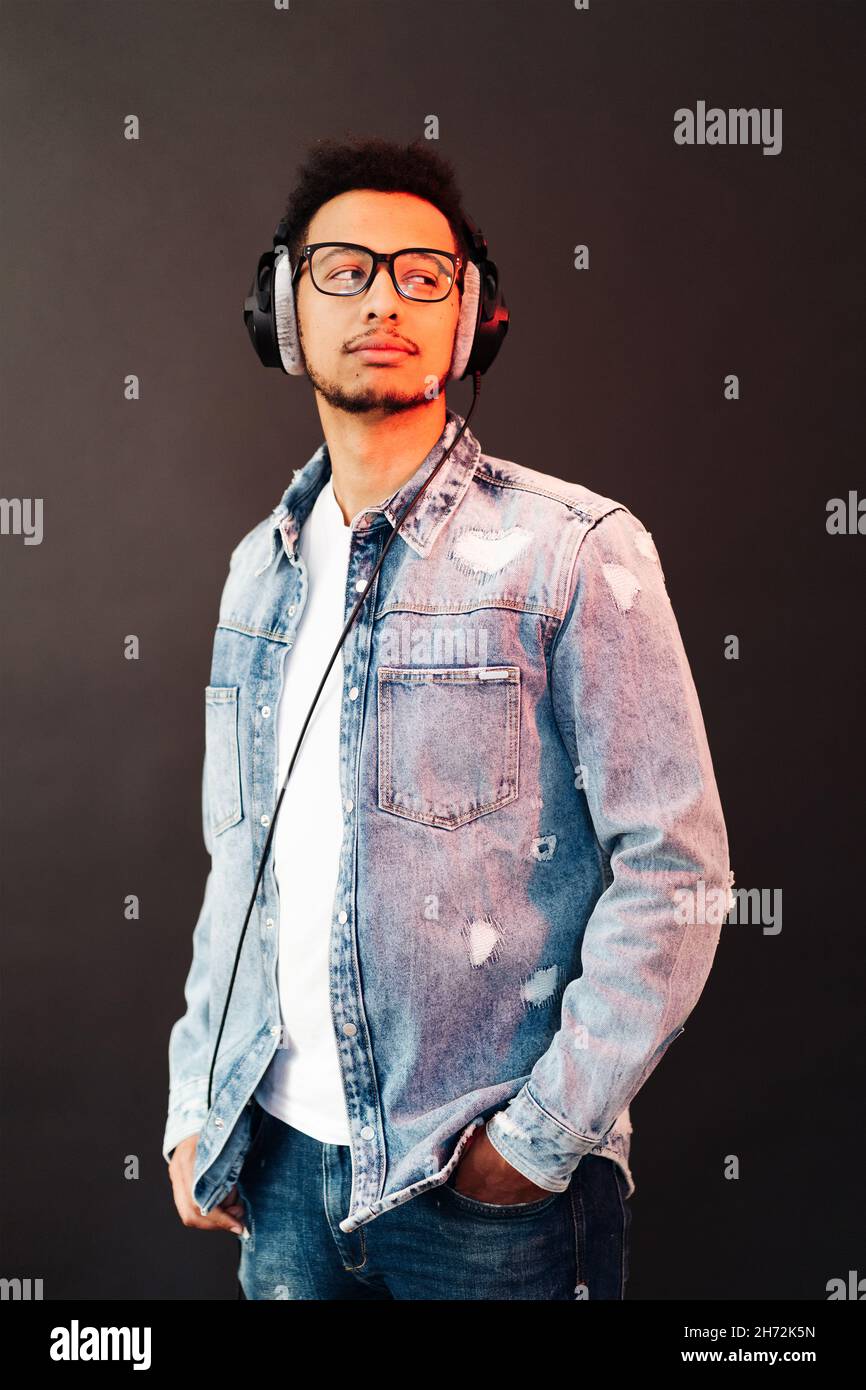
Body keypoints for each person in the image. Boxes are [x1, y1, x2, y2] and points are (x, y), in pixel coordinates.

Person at [164, 136, 731, 1300]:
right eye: (342, 270)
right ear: (282, 308)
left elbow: (674, 870)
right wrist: (195, 1097)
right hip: (275, 1175)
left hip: (482, 1197)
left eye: (423, 274)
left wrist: (535, 1141)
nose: (382, 295)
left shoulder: (574, 551)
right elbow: (240, 865)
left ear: (473, 318)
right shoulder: (253, 575)